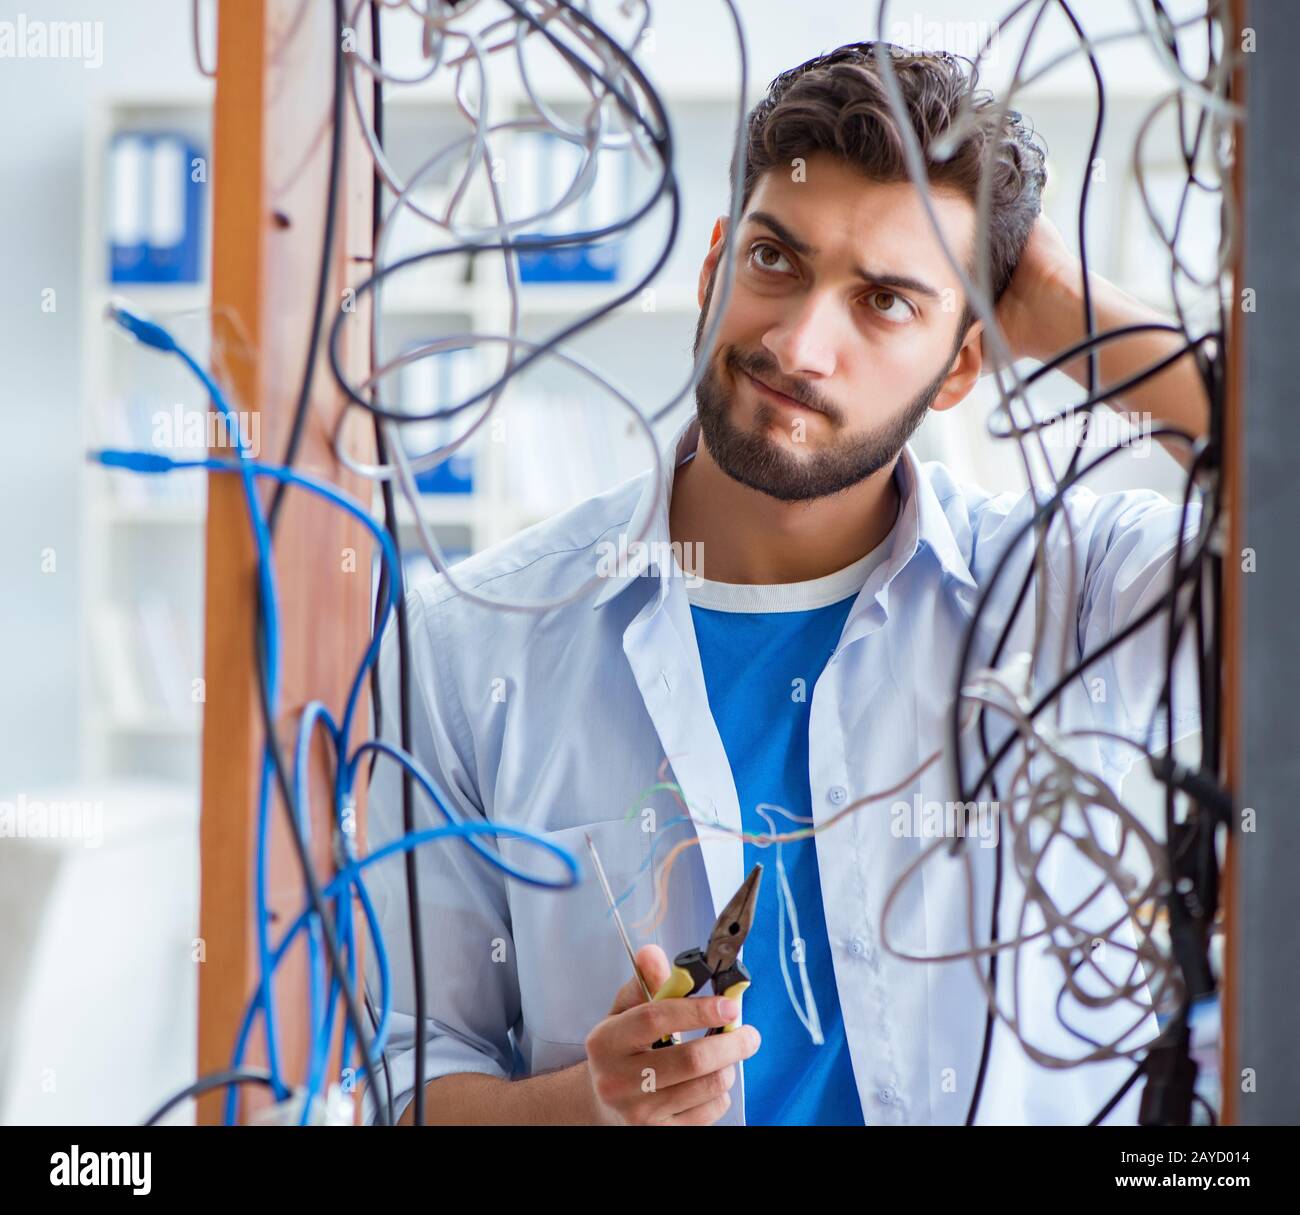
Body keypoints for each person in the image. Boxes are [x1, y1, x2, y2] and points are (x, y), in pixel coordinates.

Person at [364, 43, 1208, 1126]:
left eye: (888, 301)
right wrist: (593, 1105)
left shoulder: (1075, 589)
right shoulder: (466, 640)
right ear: (716, 265)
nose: (799, 343)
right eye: (775, 261)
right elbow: (399, 1077)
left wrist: (1059, 311)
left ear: (963, 364)